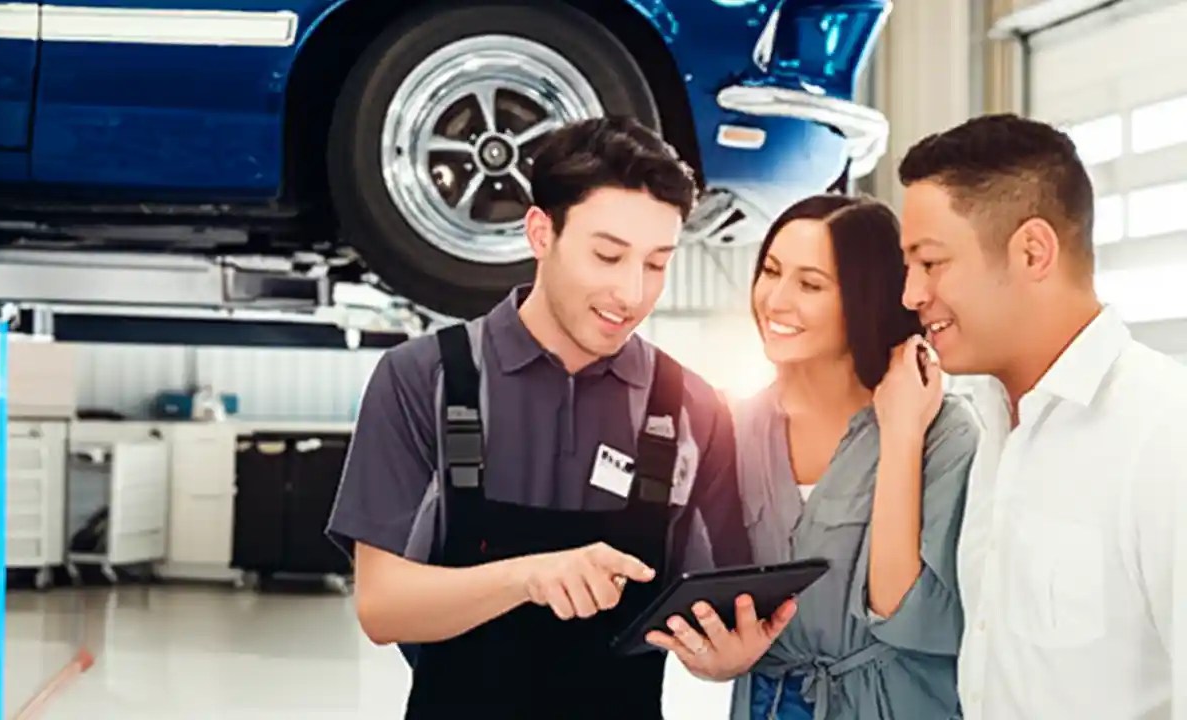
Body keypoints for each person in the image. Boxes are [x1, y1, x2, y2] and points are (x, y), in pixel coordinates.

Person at [325, 115, 797, 719]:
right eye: (607, 255)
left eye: (656, 264)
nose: (631, 293)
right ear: (540, 232)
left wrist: (724, 658)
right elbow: (383, 608)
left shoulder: (692, 408)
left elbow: (723, 608)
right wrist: (528, 578)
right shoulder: (423, 379)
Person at [897, 113, 1187, 719]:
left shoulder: (1165, 433)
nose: (912, 295)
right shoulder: (993, 429)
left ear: (1032, 251)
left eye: (931, 262)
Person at [712, 195, 978, 720]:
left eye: (810, 284)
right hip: (765, 703)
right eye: (770, 271)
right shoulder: (736, 428)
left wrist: (901, 432)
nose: (776, 300)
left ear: (865, 299)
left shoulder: (945, 432)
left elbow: (904, 613)